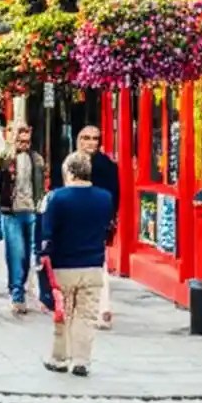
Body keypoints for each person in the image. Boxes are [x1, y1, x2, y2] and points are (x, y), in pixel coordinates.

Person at [40, 152, 115, 377]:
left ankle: (60, 357)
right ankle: (82, 360)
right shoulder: (105, 198)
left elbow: (46, 233)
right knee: (86, 315)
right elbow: (108, 228)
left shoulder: (56, 198)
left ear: (69, 172)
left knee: (64, 313)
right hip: (92, 265)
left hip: (63, 264)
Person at [0, 123, 47, 315]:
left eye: (26, 140)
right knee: (16, 252)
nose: (23, 144)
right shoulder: (6, 159)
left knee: (27, 254)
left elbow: (40, 184)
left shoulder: (36, 159)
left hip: (31, 210)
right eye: (20, 140)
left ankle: (21, 286)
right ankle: (17, 293)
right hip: (11, 212)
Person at [77, 126, 119, 329]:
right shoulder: (71, 163)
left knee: (98, 264)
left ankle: (103, 308)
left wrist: (110, 219)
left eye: (95, 138)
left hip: (98, 221)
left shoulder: (108, 166)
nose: (90, 142)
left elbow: (114, 196)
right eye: (86, 138)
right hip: (74, 221)